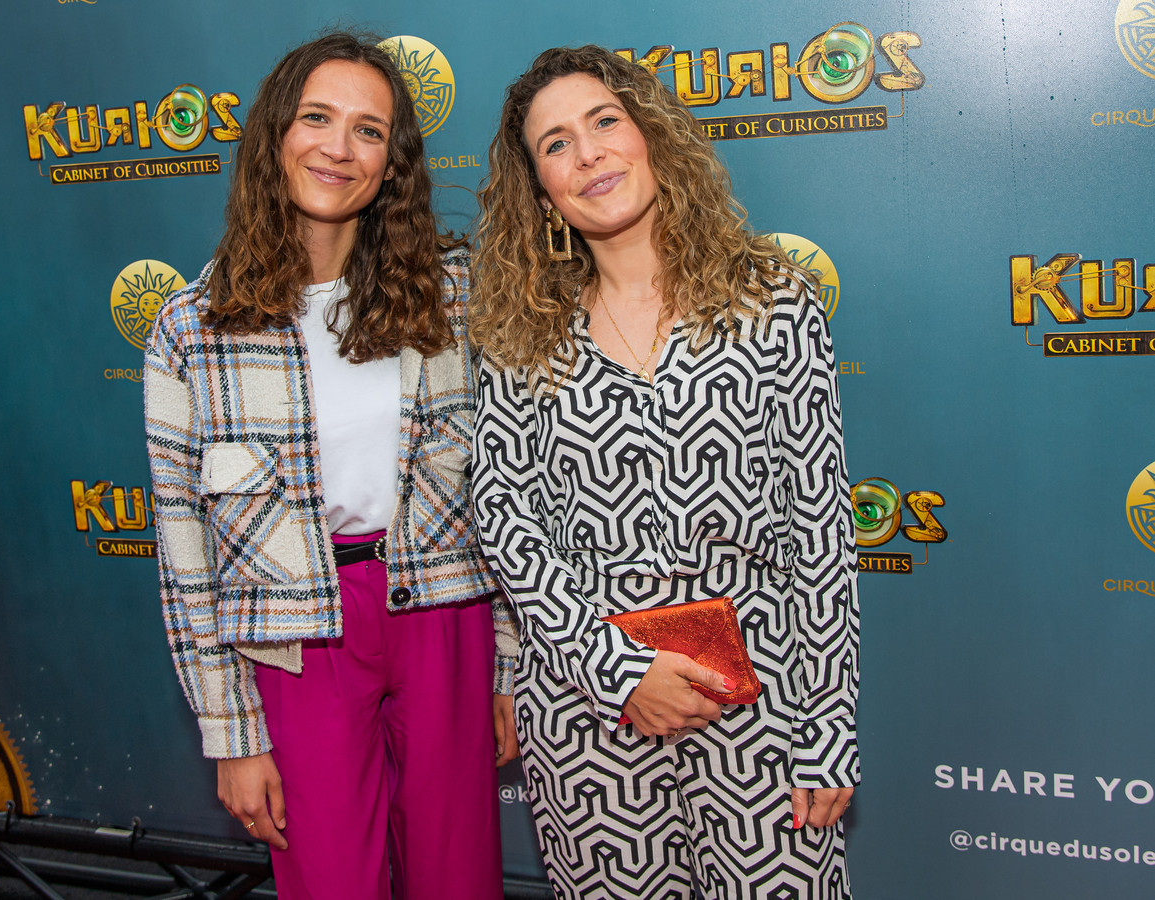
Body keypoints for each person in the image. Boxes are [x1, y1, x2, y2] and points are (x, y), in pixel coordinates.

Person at [471, 45, 858, 899]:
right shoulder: (517, 329)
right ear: (540, 189)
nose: (589, 155)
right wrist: (618, 673)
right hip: (587, 718)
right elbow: (503, 514)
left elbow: (820, 532)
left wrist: (825, 729)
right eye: (556, 144)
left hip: (760, 705)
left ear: (650, 135)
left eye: (604, 122)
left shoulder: (771, 301)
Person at [144, 32, 518, 900]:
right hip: (297, 638)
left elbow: (505, 484)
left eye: (369, 130)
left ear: (393, 163)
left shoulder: (454, 295)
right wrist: (230, 734)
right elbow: (182, 547)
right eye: (317, 118)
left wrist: (508, 668)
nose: (339, 148)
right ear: (276, 134)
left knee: (455, 880)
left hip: (442, 613)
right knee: (329, 882)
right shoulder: (190, 329)